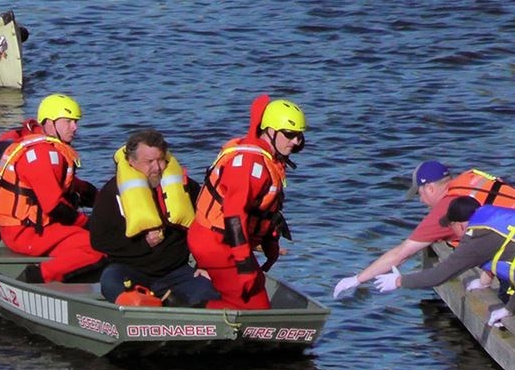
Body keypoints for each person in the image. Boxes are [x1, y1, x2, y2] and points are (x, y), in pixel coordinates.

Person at [188, 94, 307, 310]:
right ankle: (189, 311)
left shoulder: (266, 159)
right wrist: (244, 265)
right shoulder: (250, 166)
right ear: (270, 131)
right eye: (289, 135)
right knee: (256, 309)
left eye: (299, 136)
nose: (295, 141)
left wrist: (270, 245)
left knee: (255, 288)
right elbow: (234, 216)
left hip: (224, 240)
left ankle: (206, 300)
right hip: (215, 241)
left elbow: (264, 212)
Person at [333, 162, 515, 299]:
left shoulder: (446, 210)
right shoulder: (471, 180)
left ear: (429, 187)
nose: (421, 201)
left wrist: (358, 279)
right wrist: (485, 279)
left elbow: (401, 254)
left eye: (420, 194)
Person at [89, 129, 220, 307]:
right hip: (129, 270)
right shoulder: (111, 193)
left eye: (160, 160)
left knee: (208, 291)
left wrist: (205, 265)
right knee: (110, 281)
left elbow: (209, 227)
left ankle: (180, 305)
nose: (157, 168)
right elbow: (99, 241)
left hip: (176, 271)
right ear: (131, 161)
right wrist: (143, 245)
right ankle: (145, 305)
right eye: (149, 162)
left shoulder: (186, 188)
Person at [0, 93, 103, 283]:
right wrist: (87, 223)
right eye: (68, 122)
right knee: (98, 244)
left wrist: (106, 201)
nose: (75, 128)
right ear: (50, 123)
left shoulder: (43, 147)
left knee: (97, 232)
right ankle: (35, 277)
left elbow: (76, 187)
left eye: (75, 122)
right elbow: (55, 207)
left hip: (31, 227)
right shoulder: (41, 155)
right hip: (25, 234)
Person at [374, 196, 515, 327]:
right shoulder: (492, 214)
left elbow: (438, 276)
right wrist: (484, 282)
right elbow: (496, 248)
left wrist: (398, 281)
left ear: (459, 225)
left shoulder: (475, 238)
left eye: (451, 226)